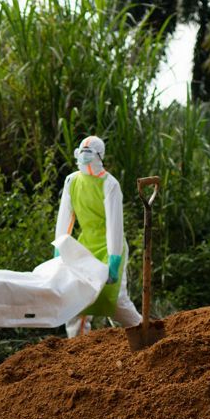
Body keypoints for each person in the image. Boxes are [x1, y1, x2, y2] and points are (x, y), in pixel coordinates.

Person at [54, 135, 141, 337]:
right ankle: (77, 348)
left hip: (112, 247)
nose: (85, 156)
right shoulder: (71, 181)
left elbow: (114, 225)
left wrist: (114, 261)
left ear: (99, 155)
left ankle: (144, 331)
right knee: (77, 301)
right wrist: (60, 249)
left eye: (89, 152)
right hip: (85, 248)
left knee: (116, 300)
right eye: (81, 151)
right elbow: (65, 218)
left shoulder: (110, 184)